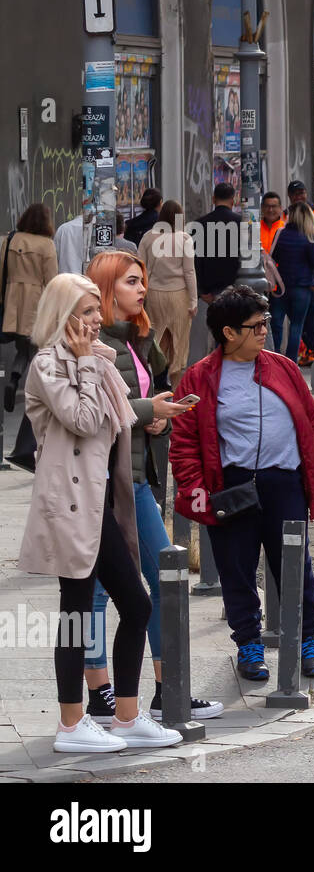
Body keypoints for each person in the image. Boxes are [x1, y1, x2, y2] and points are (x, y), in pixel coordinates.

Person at [18, 273, 183, 753]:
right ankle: (71, 726)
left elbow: (120, 420)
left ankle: (127, 717)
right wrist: (89, 362)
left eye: (97, 311)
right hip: (70, 506)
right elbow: (85, 420)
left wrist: (152, 416)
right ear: (63, 315)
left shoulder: (97, 359)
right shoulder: (48, 365)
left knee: (136, 604)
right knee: (76, 613)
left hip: (101, 502)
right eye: (87, 312)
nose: (97, 320)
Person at [81, 252, 224, 723]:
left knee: (166, 579)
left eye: (141, 281)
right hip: (104, 483)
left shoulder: (136, 339)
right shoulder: (93, 342)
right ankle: (101, 693)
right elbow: (100, 413)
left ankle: (168, 687)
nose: (142, 289)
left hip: (137, 478)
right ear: (106, 288)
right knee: (106, 590)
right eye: (131, 281)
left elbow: (139, 403)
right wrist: (151, 413)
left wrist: (157, 418)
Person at [169, 285, 314, 681]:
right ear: (229, 332)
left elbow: (312, 423)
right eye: (256, 325)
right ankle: (249, 646)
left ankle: (308, 641)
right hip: (233, 486)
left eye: (266, 322)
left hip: (285, 483)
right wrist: (198, 492)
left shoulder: (284, 368)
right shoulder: (199, 378)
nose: (264, 331)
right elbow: (184, 442)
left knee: (296, 568)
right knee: (236, 570)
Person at [2, 204, 59, 410]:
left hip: (12, 302)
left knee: (24, 347)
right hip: (36, 303)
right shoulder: (46, 245)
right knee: (41, 349)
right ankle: (39, 392)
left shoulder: (11, 239)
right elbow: (52, 280)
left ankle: (14, 379)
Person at [140, 200, 198, 388]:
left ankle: (153, 381)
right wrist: (193, 300)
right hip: (178, 295)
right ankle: (176, 386)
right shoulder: (184, 239)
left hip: (155, 295)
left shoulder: (148, 237)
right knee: (179, 341)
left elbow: (141, 268)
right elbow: (189, 272)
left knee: (156, 339)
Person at [268, 201, 314, 362]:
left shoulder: (281, 234)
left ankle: (276, 359)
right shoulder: (309, 236)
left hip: (281, 287)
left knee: (277, 325)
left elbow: (275, 258)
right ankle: (291, 362)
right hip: (301, 288)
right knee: (296, 326)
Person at [288, 180, 314, 365]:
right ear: (290, 197)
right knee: (298, 318)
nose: (299, 196)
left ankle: (310, 352)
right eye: (295, 194)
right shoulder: (287, 215)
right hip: (298, 272)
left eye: (301, 192)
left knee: (313, 315)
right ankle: (302, 352)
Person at [193, 183, 243, 303]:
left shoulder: (199, 224)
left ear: (213, 199)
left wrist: (202, 291)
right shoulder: (241, 222)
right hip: (237, 285)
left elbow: (196, 260)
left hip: (211, 287)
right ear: (233, 200)